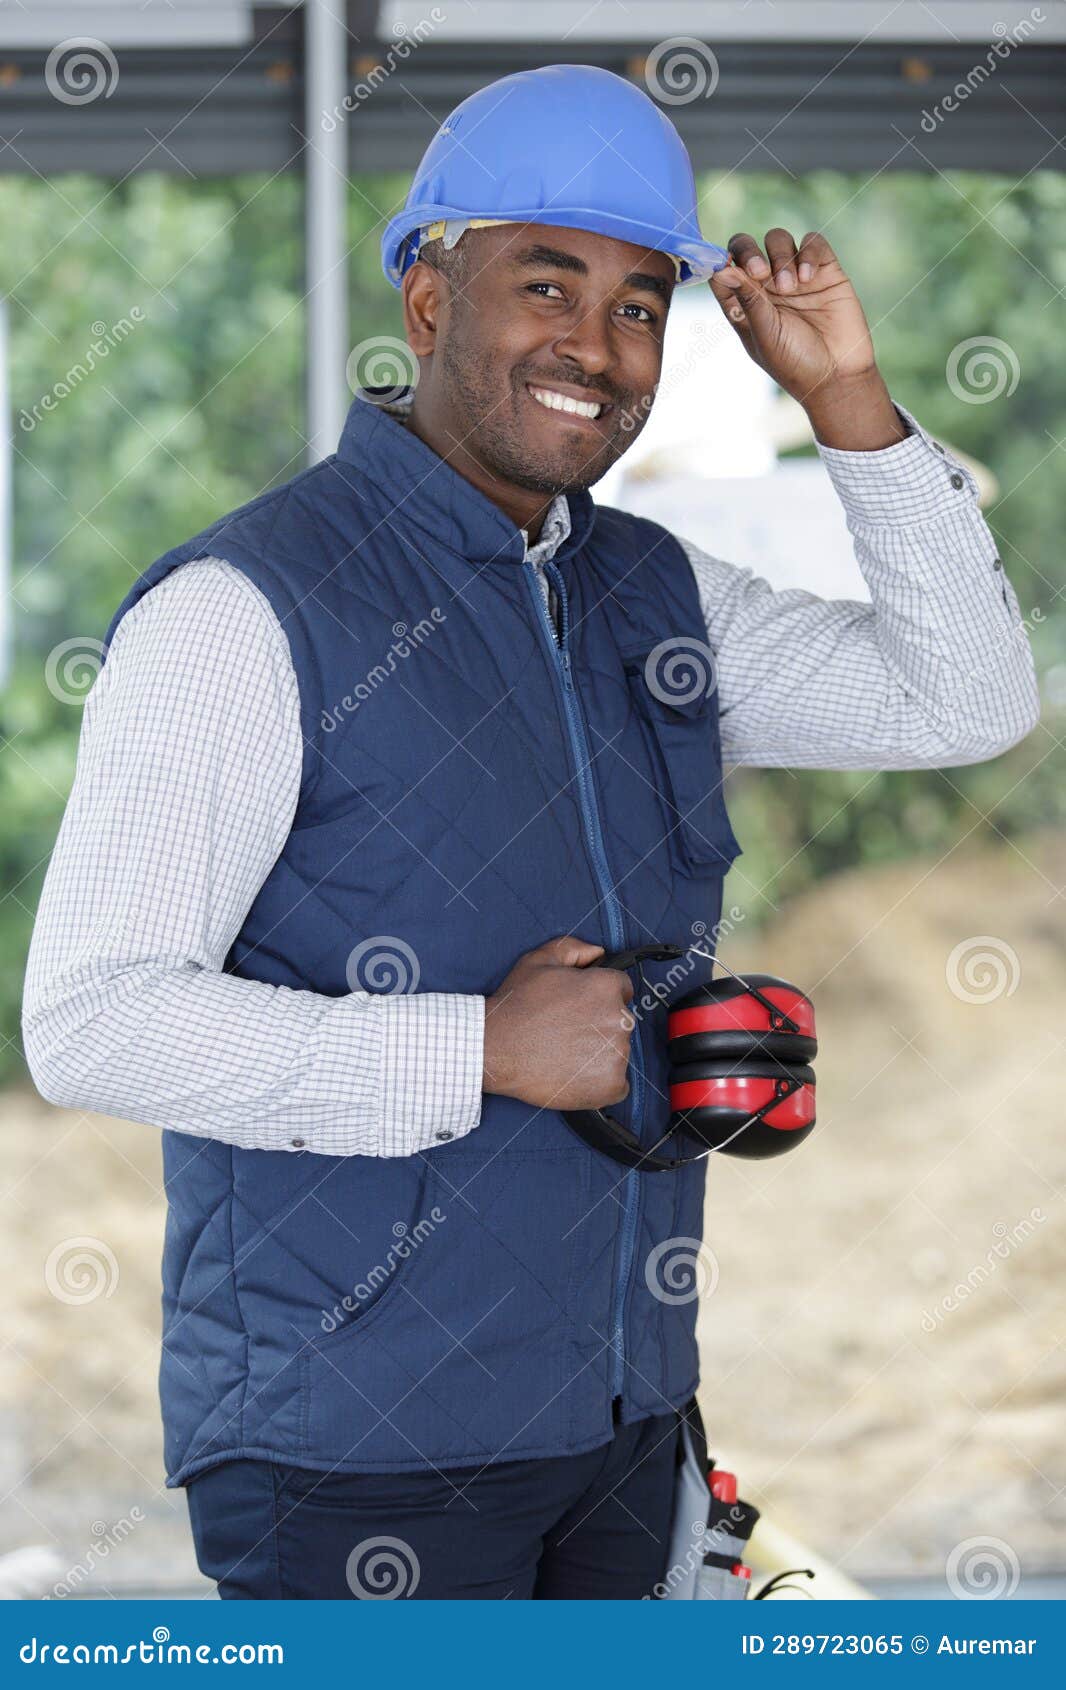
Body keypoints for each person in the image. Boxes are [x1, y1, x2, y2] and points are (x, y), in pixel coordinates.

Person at [23, 63, 1039, 1600]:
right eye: (544, 284)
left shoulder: (654, 593)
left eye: (638, 304)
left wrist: (845, 403)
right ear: (427, 298)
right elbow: (88, 1024)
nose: (595, 344)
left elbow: (963, 695)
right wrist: (476, 1051)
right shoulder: (243, 612)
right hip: (349, 1459)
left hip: (625, 1419)